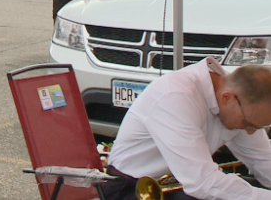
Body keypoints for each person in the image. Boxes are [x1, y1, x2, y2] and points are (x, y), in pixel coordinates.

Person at [101, 58, 271, 200]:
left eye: (257, 127)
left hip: (177, 185)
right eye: (249, 124)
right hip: (130, 189)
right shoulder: (175, 96)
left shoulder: (239, 99)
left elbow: (264, 160)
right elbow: (203, 183)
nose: (249, 131)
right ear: (228, 98)